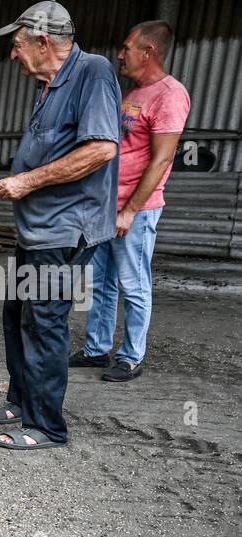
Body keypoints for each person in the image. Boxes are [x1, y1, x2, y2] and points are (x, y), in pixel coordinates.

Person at [0, 1, 120, 450]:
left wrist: (27, 180)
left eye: (18, 45)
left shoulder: (94, 72)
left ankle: (46, 427)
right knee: (17, 315)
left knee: (44, 323)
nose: (13, 55)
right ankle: (22, 403)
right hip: (38, 230)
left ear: (44, 42)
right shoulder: (48, 85)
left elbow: (101, 149)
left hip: (65, 230)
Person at [70, 20, 191, 382]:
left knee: (134, 283)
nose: (120, 55)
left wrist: (130, 210)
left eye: (126, 48)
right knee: (101, 282)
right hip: (109, 204)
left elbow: (161, 159)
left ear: (148, 51)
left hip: (135, 210)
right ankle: (96, 350)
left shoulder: (170, 94)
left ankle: (131, 357)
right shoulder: (133, 93)